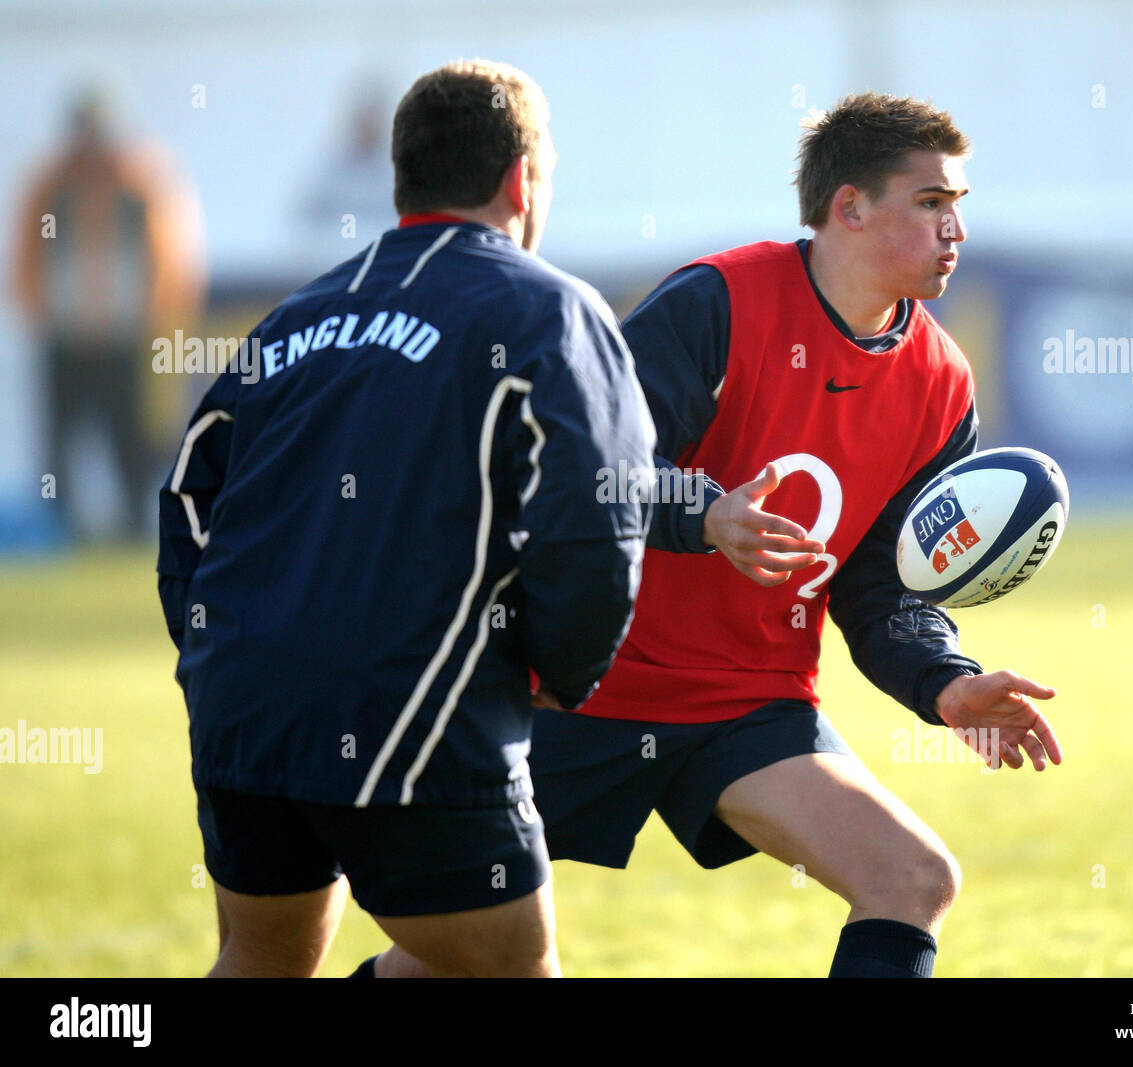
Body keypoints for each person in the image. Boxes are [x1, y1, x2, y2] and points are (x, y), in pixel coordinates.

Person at [368, 91, 1062, 979]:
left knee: (911, 877)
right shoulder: (718, 302)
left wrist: (948, 684)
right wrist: (703, 517)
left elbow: (879, 588)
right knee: (455, 960)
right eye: (930, 202)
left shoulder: (942, 383)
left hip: (751, 704)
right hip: (585, 687)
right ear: (847, 206)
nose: (954, 228)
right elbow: (579, 473)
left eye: (958, 205)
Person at [156, 59, 655, 978]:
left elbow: (188, 493)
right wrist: (564, 667)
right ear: (524, 179)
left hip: (246, 709)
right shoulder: (551, 310)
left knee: (261, 960)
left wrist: (212, 652)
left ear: (403, 177)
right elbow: (593, 516)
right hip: (414, 714)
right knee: (509, 968)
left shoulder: (294, 317)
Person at [12, 86, 204, 541]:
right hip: (65, 341)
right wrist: (46, 316)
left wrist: (154, 321)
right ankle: (63, 533)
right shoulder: (50, 188)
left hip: (125, 341)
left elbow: (173, 259)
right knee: (59, 446)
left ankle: (134, 529)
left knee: (132, 444)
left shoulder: (141, 185)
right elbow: (26, 260)